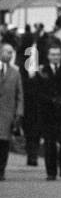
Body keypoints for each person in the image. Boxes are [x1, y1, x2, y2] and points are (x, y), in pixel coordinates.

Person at [36, 44, 61, 181]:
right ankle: (51, 172)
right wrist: (51, 100)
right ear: (48, 56)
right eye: (52, 54)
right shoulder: (42, 71)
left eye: (58, 54)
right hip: (49, 113)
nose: (55, 57)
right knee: (50, 143)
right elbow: (39, 92)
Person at [0, 42, 23, 180]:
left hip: (8, 114)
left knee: (4, 144)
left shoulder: (15, 72)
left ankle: (1, 170)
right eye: (7, 52)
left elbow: (20, 95)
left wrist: (19, 113)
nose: (10, 54)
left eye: (11, 52)